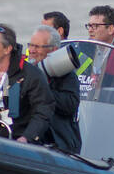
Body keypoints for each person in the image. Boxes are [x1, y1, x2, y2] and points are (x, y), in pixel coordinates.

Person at [26, 25, 82, 153]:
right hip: (30, 138)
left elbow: (70, 105)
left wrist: (40, 87)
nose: (32, 50)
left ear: (54, 50)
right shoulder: (25, 72)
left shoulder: (67, 75)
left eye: (37, 46)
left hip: (58, 142)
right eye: (31, 45)